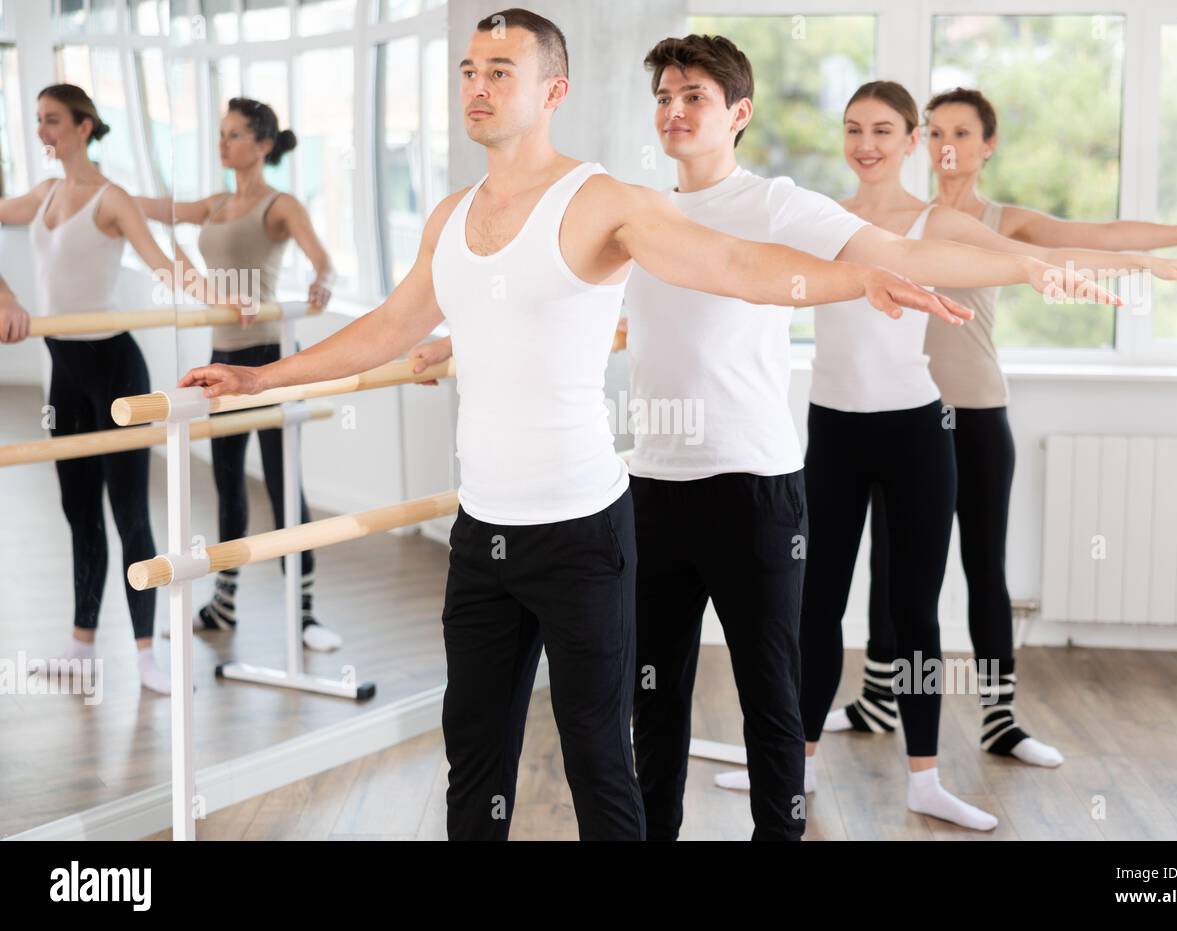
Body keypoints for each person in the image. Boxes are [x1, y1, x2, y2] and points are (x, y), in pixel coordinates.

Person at [177, 9, 977, 841]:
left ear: (551, 91)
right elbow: (388, 326)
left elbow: (735, 266)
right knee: (473, 759)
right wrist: (260, 375)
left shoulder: (603, 199)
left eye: (500, 73)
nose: (477, 87)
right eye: (469, 71)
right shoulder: (449, 216)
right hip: (481, 531)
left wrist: (860, 279)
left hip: (585, 529)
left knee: (600, 755)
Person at [626, 36, 1125, 841]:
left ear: (739, 114)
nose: (675, 112)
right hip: (702, 468)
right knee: (662, 689)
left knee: (896, 618)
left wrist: (1041, 268)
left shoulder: (788, 206)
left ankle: (920, 773)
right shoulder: (641, 214)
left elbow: (922, 251)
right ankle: (769, 776)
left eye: (695, 98)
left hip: (819, 457)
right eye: (665, 98)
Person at [717, 79, 1177, 830]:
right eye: (853, 129)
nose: (866, 145)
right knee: (816, 605)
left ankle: (924, 778)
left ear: (913, 141)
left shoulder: (938, 221)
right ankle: (803, 762)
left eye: (884, 130)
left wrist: (1148, 264)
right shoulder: (821, 219)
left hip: (918, 432)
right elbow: (733, 269)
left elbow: (1031, 256)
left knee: (916, 611)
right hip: (832, 433)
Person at [831, 85, 1177, 769]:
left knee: (985, 565)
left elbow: (1096, 237)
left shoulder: (998, 220)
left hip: (976, 411)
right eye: (938, 132)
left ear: (988, 146)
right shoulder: (894, 220)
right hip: (901, 415)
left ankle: (1000, 717)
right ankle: (876, 699)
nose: (949, 146)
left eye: (963, 134)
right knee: (892, 567)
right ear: (921, 141)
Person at [0, 84, 207, 694]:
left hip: (117, 370)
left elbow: (166, 265)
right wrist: (6, 295)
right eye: (38, 121)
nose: (44, 133)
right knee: (78, 511)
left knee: (129, 514)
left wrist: (223, 296)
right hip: (62, 372)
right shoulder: (44, 194)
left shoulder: (110, 199)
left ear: (85, 127)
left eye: (55, 121)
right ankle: (81, 646)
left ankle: (146, 655)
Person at [137, 97, 341, 651]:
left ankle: (304, 615)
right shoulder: (216, 202)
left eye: (234, 135)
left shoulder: (280, 205)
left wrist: (322, 283)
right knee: (227, 482)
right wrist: (107, 193)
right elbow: (151, 208)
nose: (223, 143)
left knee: (280, 483)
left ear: (264, 144)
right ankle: (223, 606)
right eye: (221, 133)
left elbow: (323, 259)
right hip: (221, 360)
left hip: (269, 358)